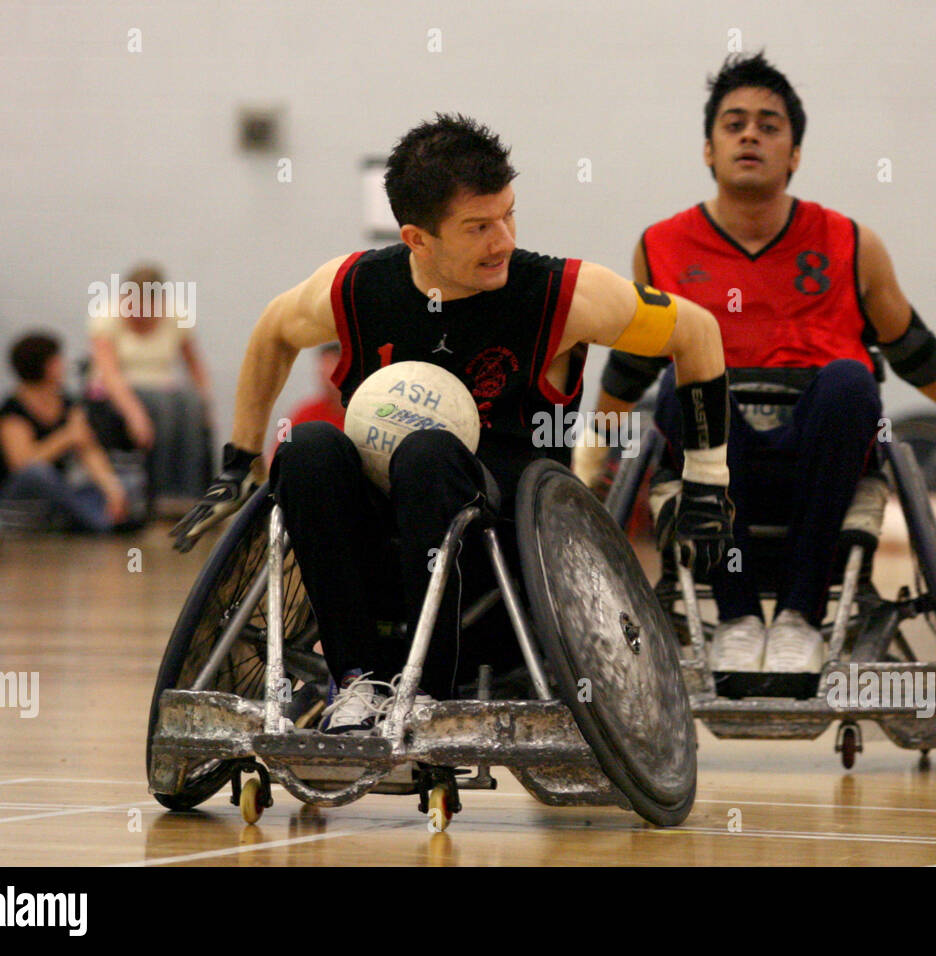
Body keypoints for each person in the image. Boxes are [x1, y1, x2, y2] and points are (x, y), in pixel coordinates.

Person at [171, 114, 734, 734]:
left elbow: (698, 331)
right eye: (478, 227)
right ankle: (356, 679)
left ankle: (427, 691)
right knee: (305, 447)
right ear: (417, 238)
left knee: (428, 454)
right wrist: (238, 461)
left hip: (504, 539)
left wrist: (707, 480)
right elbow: (273, 329)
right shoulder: (357, 286)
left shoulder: (560, 293)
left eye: (508, 216)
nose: (504, 241)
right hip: (375, 534)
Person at [574, 53, 936, 675]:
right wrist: (595, 441)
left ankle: (801, 617)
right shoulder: (660, 245)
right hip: (715, 455)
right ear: (709, 150)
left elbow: (911, 346)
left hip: (822, 453)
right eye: (733, 123)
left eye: (769, 126)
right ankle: (738, 619)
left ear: (794, 154)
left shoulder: (852, 242)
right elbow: (632, 362)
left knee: (851, 378)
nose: (750, 134)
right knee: (682, 382)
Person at [87, 263, 214, 510]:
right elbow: (110, 375)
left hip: (164, 389)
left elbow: (195, 367)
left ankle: (192, 494)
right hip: (119, 393)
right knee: (163, 407)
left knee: (190, 403)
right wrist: (134, 414)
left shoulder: (175, 316)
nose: (140, 312)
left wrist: (206, 404)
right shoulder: (106, 317)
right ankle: (162, 493)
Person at [0, 332, 133, 532]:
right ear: (45, 366)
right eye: (58, 361)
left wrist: (113, 490)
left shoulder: (67, 404)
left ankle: (102, 514)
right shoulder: (13, 410)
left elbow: (89, 451)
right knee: (40, 473)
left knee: (123, 478)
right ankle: (98, 522)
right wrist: (66, 437)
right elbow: (22, 464)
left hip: (59, 491)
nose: (63, 366)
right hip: (18, 495)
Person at [269, 342, 344, 462]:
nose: (324, 376)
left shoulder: (365, 416)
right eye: (322, 370)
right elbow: (276, 453)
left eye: (332, 367)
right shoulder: (303, 412)